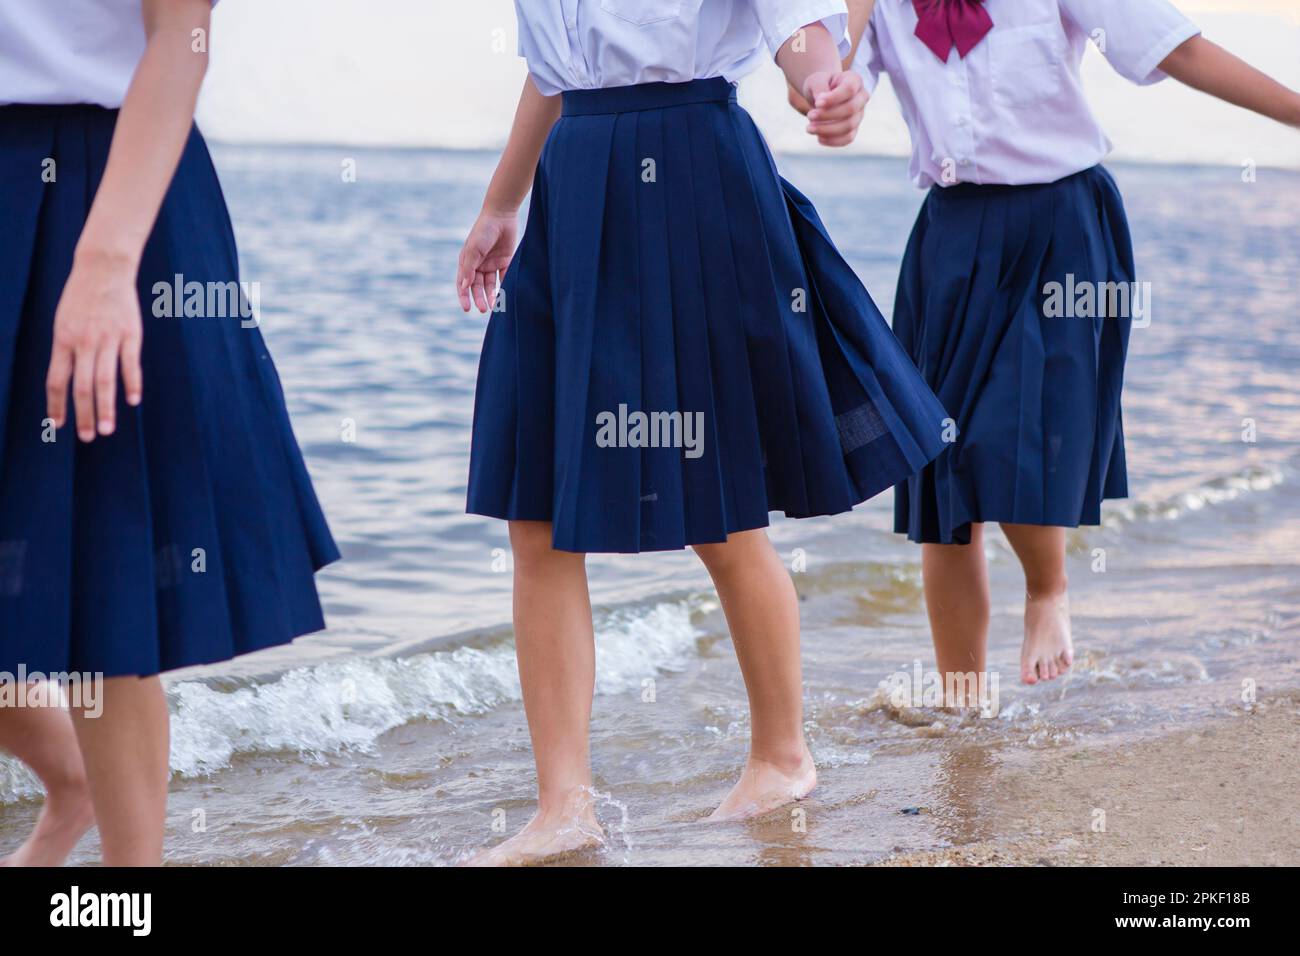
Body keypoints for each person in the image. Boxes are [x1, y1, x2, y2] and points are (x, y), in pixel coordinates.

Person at [456, 0, 949, 865]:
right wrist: (504, 201)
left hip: (690, 175)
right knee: (531, 506)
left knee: (718, 509)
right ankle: (563, 806)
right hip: (572, 182)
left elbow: (797, 23)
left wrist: (823, 81)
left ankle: (782, 757)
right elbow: (553, 71)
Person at [793, 0, 1300, 694]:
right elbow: (826, 76)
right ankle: (961, 701)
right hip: (952, 236)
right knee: (940, 472)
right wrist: (832, 88)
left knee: (1013, 430)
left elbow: (1176, 48)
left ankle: (1048, 590)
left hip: (1061, 224)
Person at [0, 0, 339, 865]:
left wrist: (107, 263)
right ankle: (71, 783)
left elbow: (180, 38)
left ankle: (127, 895)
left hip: (105, 186)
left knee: (101, 581)